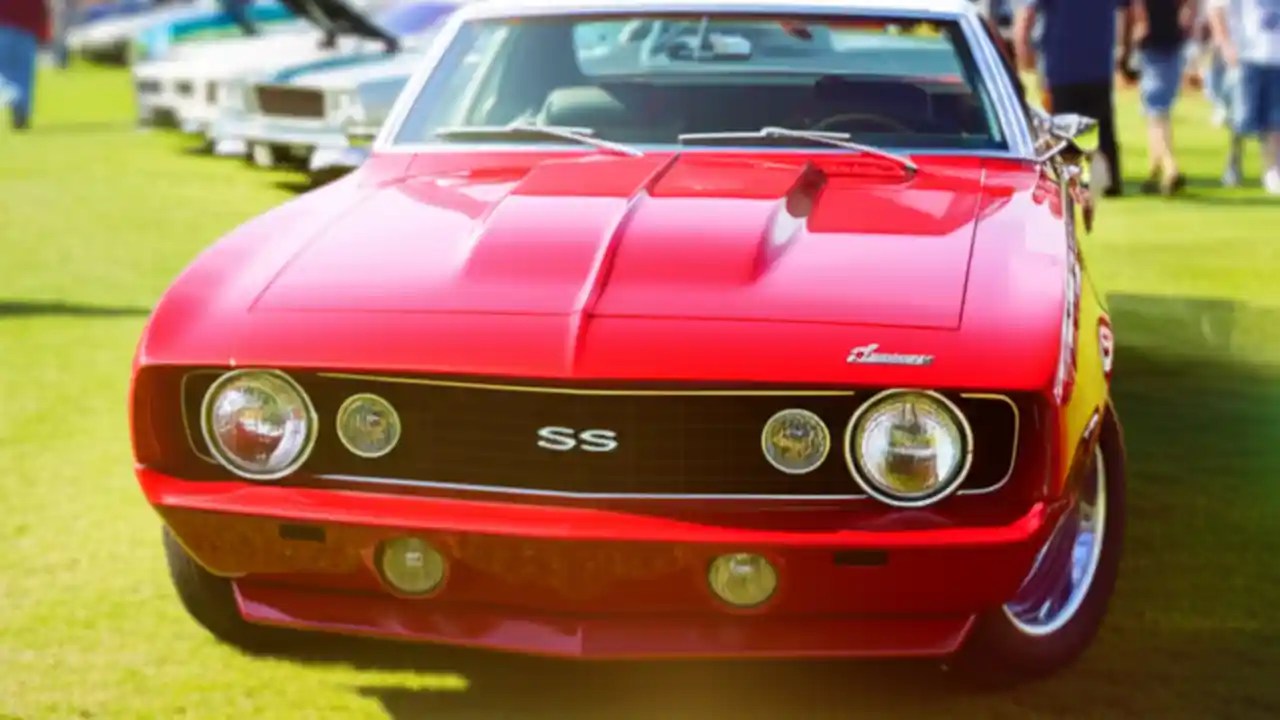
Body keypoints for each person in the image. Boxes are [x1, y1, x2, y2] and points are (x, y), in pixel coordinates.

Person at [1014, 0, 1135, 197]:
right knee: (1102, 130)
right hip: (1098, 65)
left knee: (1062, 133)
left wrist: (1023, 53)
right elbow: (1129, 11)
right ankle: (1109, 180)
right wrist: (1125, 50)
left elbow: (1026, 16)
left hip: (1061, 67)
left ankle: (1069, 182)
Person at [1209, 0, 1280, 194]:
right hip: (1247, 54)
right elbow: (1217, 8)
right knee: (1242, 118)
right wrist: (1225, 43)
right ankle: (1234, 159)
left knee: (1275, 119)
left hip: (1275, 55)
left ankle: (1272, 169)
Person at [1133, 0, 1197, 194]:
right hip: (1172, 39)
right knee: (1158, 109)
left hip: (1154, 41)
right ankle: (1154, 169)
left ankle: (1170, 167)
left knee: (1155, 111)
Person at [0, 0, 49, 131]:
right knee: (24, 75)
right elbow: (40, 7)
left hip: (3, 26)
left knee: (4, 72)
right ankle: (22, 115)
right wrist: (44, 32)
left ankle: (11, 95)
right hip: (27, 29)